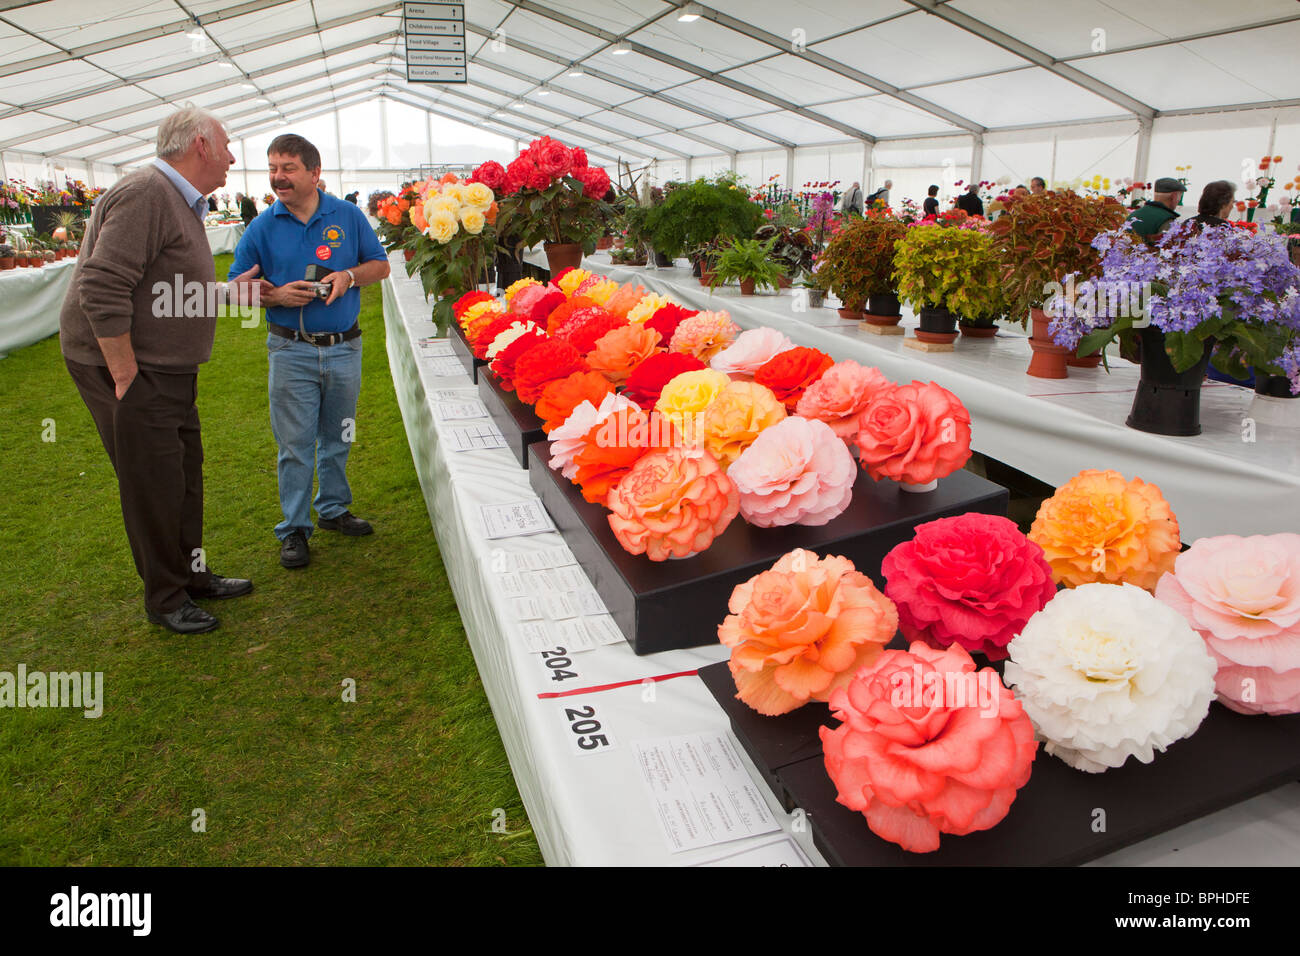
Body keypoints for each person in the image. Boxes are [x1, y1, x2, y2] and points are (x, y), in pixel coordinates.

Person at [59, 106, 268, 634]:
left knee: (181, 477)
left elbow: (163, 290)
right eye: (225, 145)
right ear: (199, 144)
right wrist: (125, 372)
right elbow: (101, 284)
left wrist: (231, 293)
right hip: (135, 370)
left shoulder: (176, 199)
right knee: (154, 483)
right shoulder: (148, 192)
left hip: (167, 370)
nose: (231, 156)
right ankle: (167, 597)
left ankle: (192, 576)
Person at [229, 133, 389, 569]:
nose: (278, 177)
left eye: (288, 168)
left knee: (338, 435)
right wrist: (274, 296)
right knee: (295, 444)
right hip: (290, 350)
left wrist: (349, 278)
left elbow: (381, 264)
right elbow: (231, 290)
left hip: (343, 349)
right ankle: (295, 528)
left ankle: (333, 508)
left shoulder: (348, 216)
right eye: (273, 168)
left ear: (315, 173)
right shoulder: (262, 226)